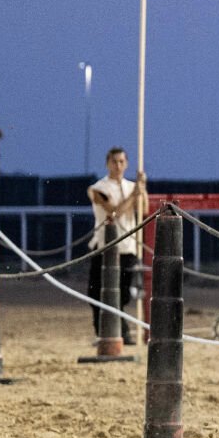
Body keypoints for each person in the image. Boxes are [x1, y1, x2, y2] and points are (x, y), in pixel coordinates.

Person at [88, 147, 144, 344]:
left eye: (121, 162)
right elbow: (114, 212)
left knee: (124, 292)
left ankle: (121, 330)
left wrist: (141, 192)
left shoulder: (132, 187)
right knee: (97, 292)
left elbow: (141, 210)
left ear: (126, 164)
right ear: (107, 163)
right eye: (114, 162)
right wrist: (133, 195)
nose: (118, 166)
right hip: (104, 246)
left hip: (128, 246)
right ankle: (104, 332)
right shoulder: (98, 188)